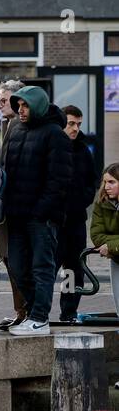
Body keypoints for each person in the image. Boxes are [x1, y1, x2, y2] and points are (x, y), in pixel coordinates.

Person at [3, 86, 70, 336]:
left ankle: (40, 318)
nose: (20, 110)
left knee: (42, 267)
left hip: (40, 217)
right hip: (16, 215)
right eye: (18, 105)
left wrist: (41, 211)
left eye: (25, 105)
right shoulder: (16, 129)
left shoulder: (55, 135)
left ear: (37, 106)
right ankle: (32, 313)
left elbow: (59, 180)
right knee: (18, 267)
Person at [57, 105, 99, 324]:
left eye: (78, 124)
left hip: (75, 221)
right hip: (53, 220)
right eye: (71, 123)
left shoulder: (83, 150)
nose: (75, 128)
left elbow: (92, 181)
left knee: (73, 270)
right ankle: (36, 313)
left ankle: (68, 312)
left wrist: (83, 199)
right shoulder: (52, 145)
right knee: (46, 268)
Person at [0, 80, 29, 331]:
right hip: (6, 208)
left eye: (3, 100)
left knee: (19, 261)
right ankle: (20, 311)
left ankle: (28, 312)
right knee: (7, 258)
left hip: (20, 208)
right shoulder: (5, 126)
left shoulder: (22, 127)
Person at [88, 164, 119, 331]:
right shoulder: (101, 202)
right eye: (105, 182)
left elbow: (106, 241)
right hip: (117, 260)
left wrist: (111, 245)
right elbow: (97, 236)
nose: (107, 186)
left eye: (112, 182)